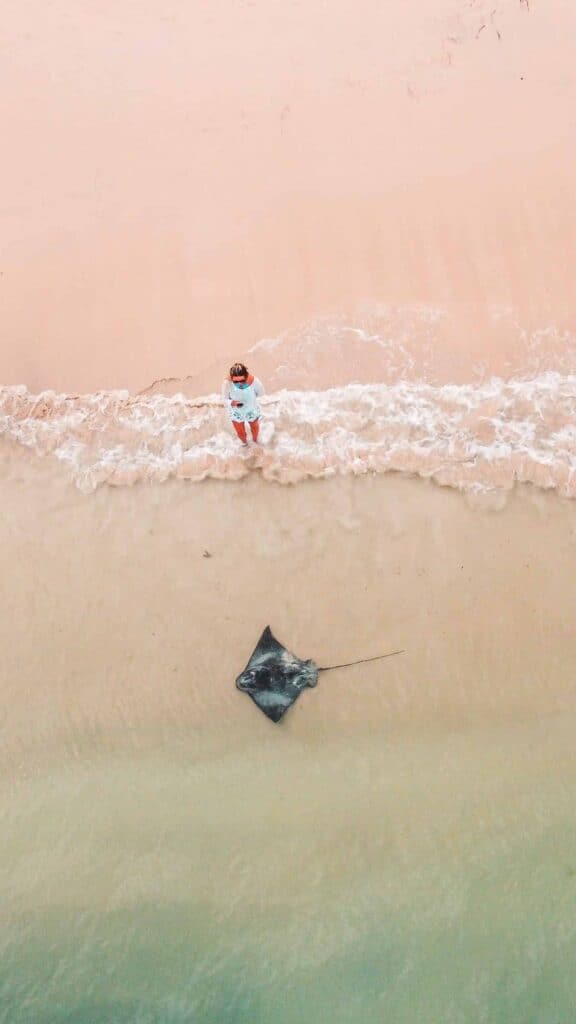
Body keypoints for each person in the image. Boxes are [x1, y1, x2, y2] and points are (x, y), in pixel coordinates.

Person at [222, 363, 265, 445]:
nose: (239, 383)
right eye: (236, 381)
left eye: (242, 380)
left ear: (246, 376)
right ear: (231, 378)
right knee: (241, 433)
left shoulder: (254, 381)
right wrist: (231, 402)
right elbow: (224, 400)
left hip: (251, 410)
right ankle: (245, 445)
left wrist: (251, 399)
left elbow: (262, 393)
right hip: (236, 412)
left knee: (254, 428)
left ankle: (255, 442)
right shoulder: (227, 383)